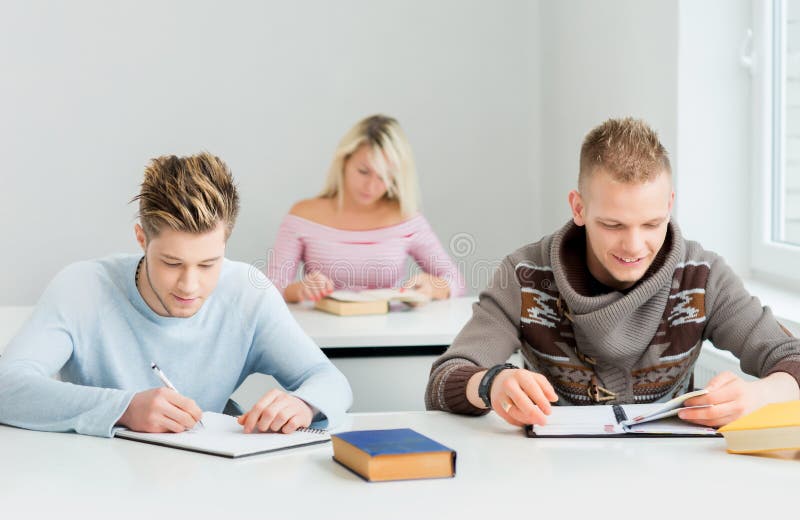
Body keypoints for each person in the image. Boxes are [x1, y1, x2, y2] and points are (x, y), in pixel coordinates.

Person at [425, 117, 800, 428]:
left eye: (652, 223)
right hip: (552, 479)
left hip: (671, 480)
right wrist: (491, 383)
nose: (634, 246)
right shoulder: (523, 275)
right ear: (579, 208)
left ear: (670, 205)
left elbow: (792, 357)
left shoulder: (703, 276)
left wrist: (759, 396)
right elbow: (443, 382)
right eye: (613, 225)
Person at [0, 152, 352, 437]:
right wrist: (124, 409)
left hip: (209, 482)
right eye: (171, 263)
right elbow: (7, 387)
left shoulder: (247, 293)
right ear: (142, 239)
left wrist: (304, 405)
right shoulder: (82, 287)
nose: (189, 285)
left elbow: (329, 380)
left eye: (208, 264)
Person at [267, 114, 464, 303]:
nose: (371, 187)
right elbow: (270, 289)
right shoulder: (303, 215)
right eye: (363, 172)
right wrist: (297, 290)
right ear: (344, 161)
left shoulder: (406, 219)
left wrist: (435, 287)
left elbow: (455, 280)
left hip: (390, 333)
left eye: (384, 177)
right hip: (322, 334)